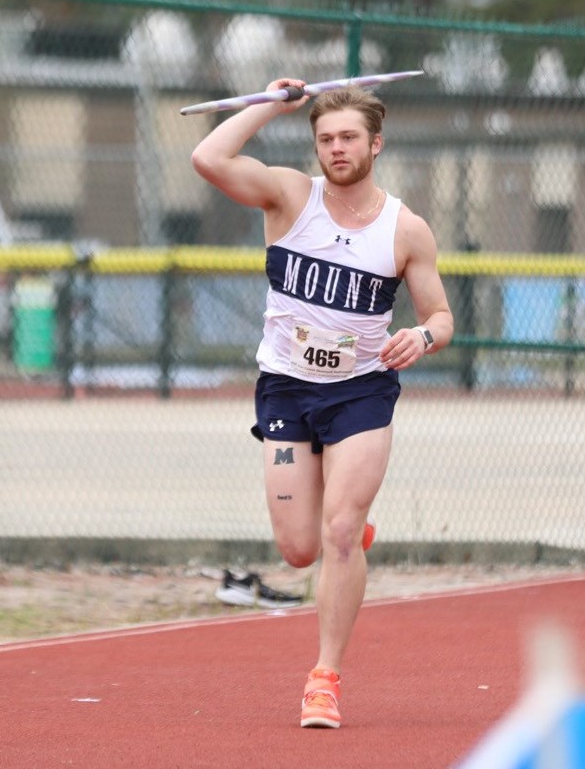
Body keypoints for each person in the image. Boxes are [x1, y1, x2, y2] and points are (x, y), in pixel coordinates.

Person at [190, 77, 454, 729]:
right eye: (325, 138)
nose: (337, 149)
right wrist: (266, 106)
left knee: (337, 532)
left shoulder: (405, 229)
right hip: (285, 388)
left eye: (348, 138)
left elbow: (442, 315)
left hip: (361, 392)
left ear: (375, 143)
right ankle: (350, 535)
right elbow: (209, 160)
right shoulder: (288, 196)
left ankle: (324, 678)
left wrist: (420, 337)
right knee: (301, 548)